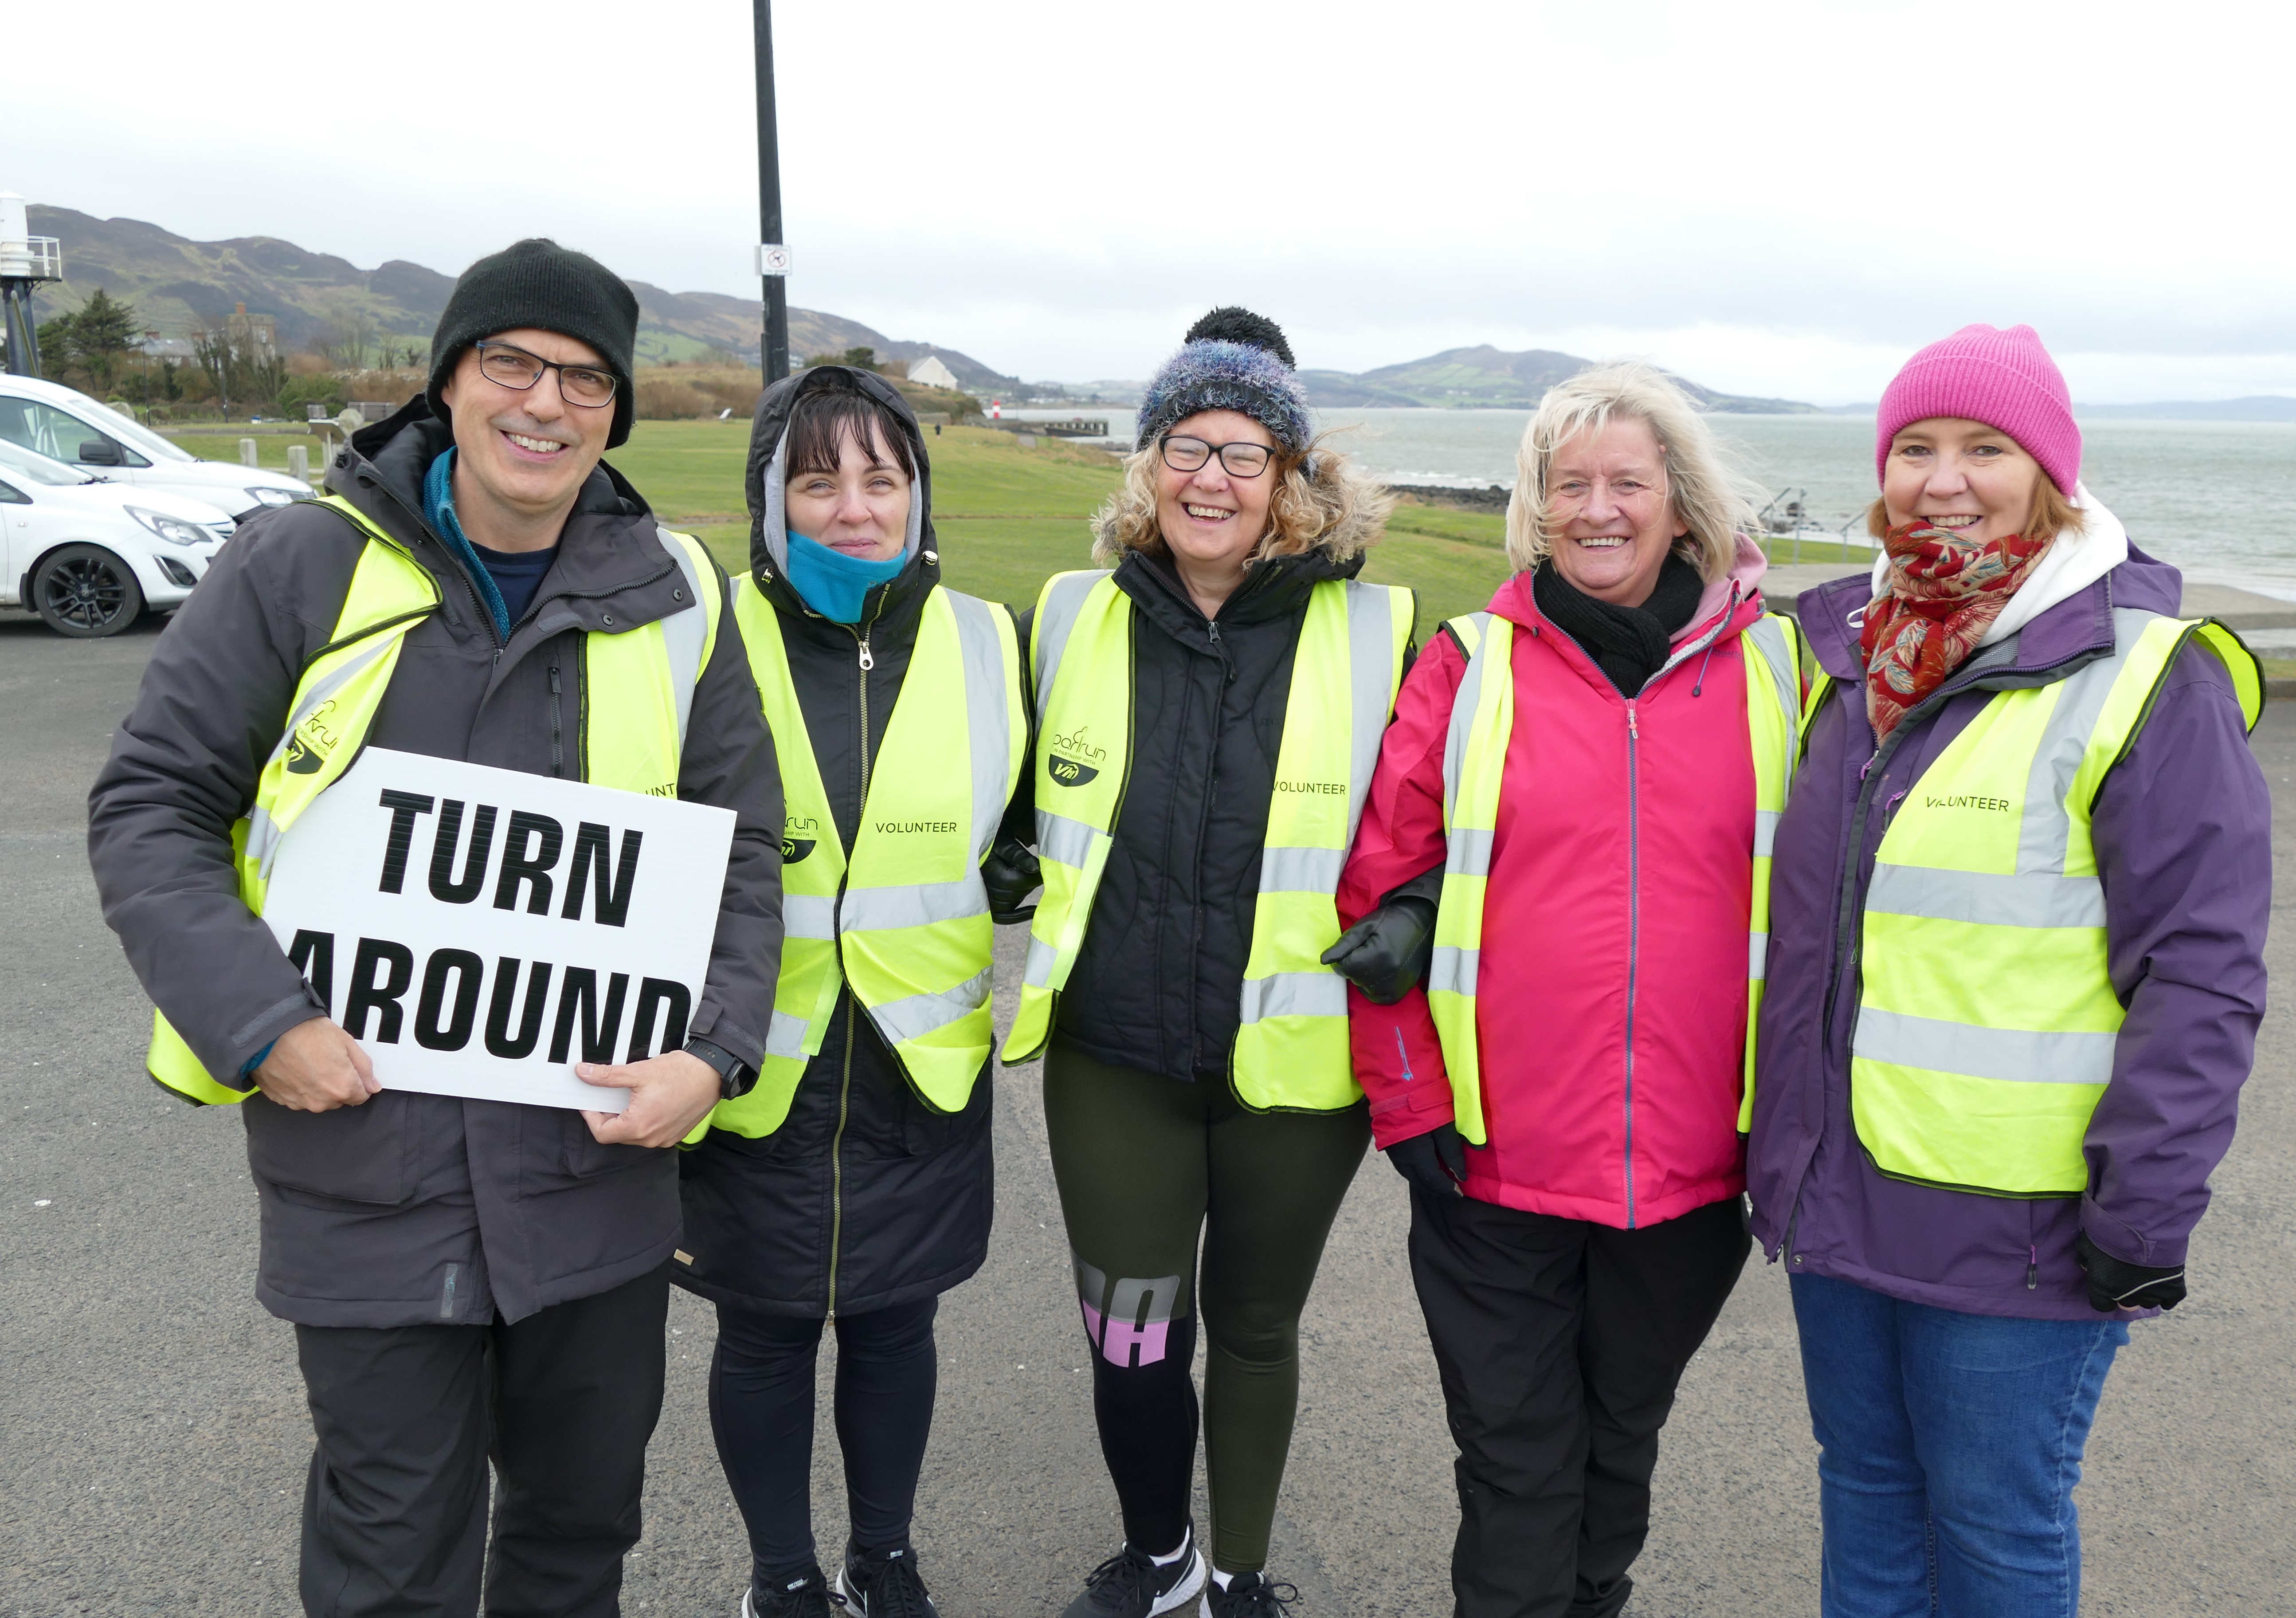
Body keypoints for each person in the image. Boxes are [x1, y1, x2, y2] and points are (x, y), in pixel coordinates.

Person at [87, 238, 784, 1617]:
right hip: (366, 1171)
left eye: (585, 378)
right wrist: (260, 1023)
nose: (546, 403)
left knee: (578, 1542)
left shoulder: (683, 596)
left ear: (617, 410)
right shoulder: (299, 564)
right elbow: (152, 806)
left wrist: (713, 1053)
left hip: (595, 1178)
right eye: (510, 363)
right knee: (390, 1561)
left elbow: (743, 849)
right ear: (450, 384)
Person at [1747, 324, 2269, 1617]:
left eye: (1987, 447)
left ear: (2053, 474)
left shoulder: (2148, 676)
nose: (1944, 477)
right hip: (1843, 1196)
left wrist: (2148, 1210)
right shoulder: (1850, 661)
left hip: (2025, 1228)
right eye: (1915, 448)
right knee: (1866, 1504)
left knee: (1994, 1531)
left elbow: (2201, 974)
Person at [1329, 361, 1808, 1617]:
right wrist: (1408, 1102)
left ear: (1682, 504)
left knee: (1618, 1444)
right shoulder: (1469, 666)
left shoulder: (1781, 673)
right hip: (1493, 1167)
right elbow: (1378, 902)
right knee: (1518, 1465)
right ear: (1536, 507)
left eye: (1626, 483)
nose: (1596, 509)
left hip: (1697, 1170)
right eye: (1567, 485)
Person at [1002, 308, 1414, 1618]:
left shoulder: (1384, 629)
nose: (1212, 479)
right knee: (1132, 1332)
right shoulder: (1068, 615)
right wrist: (1001, 851)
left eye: (1247, 454)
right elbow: (1000, 786)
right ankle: (1158, 1553)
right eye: (1186, 445)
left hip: (1293, 1068)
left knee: (1250, 1329)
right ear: (1147, 466)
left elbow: (1448, 823)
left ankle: (1238, 1574)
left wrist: (1415, 910)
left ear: (1293, 481)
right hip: (1115, 1058)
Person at [674, 364, 1032, 1618]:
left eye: (884, 478)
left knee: (891, 1328)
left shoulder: (992, 639)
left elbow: (1031, 824)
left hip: (918, 1069)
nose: (855, 507)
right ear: (769, 499)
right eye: (817, 480)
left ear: (920, 493)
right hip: (749, 1067)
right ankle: (782, 1577)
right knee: (763, 1334)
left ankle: (885, 1557)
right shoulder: (701, 631)